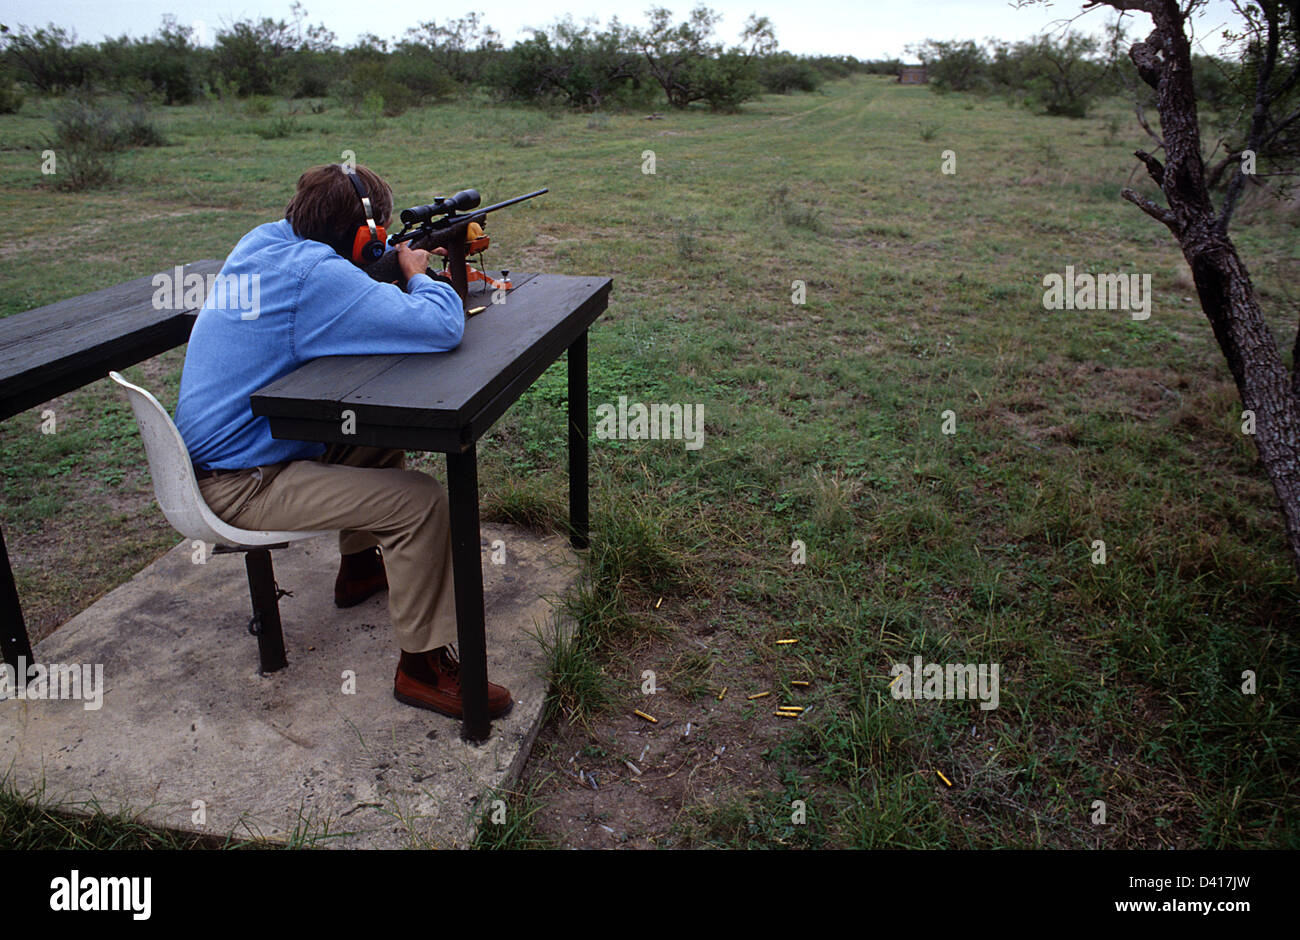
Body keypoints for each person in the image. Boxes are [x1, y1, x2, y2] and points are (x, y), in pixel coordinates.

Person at [173, 162, 513, 719]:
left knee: (374, 440)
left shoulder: (263, 242)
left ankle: (360, 569)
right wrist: (416, 271)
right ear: (365, 237)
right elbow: (442, 327)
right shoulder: (315, 276)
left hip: (235, 456)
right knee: (419, 501)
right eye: (375, 235)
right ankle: (423, 669)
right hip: (240, 486)